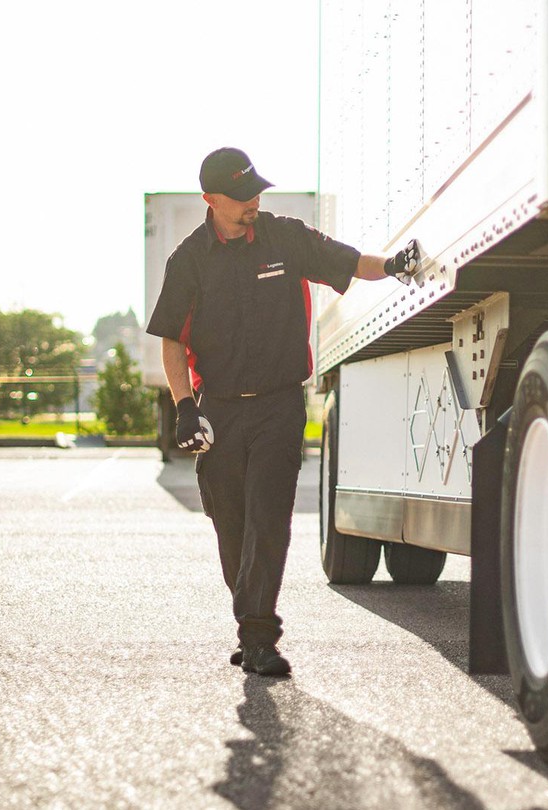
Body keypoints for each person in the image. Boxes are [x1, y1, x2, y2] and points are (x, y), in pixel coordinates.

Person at [146, 147, 420, 677]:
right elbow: (171, 340)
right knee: (230, 524)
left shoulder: (284, 237)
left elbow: (346, 261)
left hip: (279, 406)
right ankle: (249, 623)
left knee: (268, 521)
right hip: (219, 411)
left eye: (256, 192)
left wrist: (390, 266)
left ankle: (259, 636)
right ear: (211, 199)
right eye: (241, 196)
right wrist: (184, 409)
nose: (253, 202)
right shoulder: (189, 259)